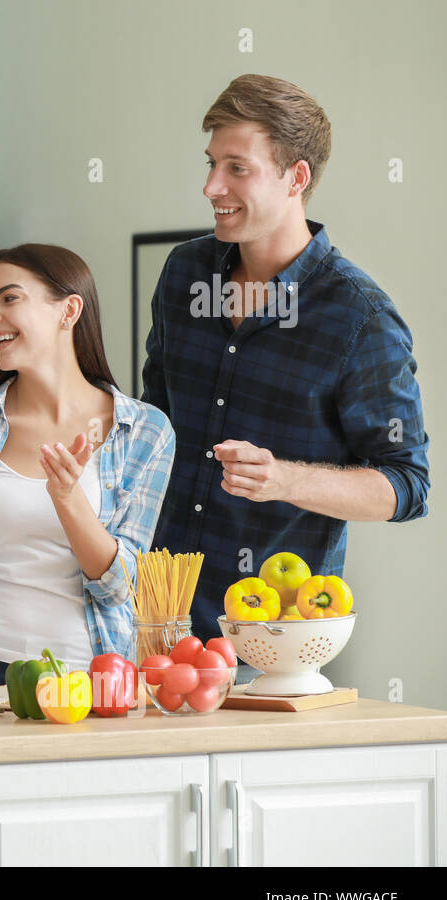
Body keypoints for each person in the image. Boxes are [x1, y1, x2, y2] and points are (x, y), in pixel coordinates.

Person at [142, 74, 429, 643]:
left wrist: (283, 479)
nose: (211, 186)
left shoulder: (361, 317)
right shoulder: (183, 273)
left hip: (271, 640)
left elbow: (407, 485)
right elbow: (153, 425)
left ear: (296, 178)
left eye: (236, 168)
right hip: (150, 617)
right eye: (212, 164)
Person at [0, 244, 175, 686]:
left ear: (69, 310)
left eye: (9, 298)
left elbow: (118, 587)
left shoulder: (144, 432)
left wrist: (68, 499)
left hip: (90, 679)